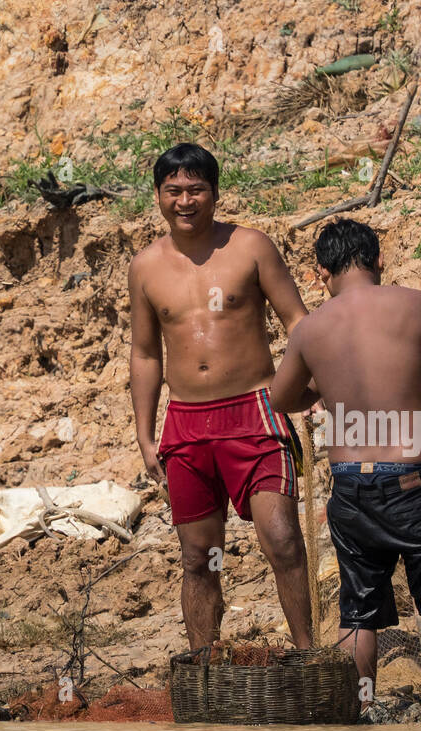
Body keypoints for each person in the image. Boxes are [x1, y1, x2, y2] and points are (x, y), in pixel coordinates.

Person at [269, 218, 421, 708]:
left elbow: (281, 398)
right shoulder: (415, 304)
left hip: (352, 488)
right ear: (380, 260)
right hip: (413, 481)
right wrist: (404, 374)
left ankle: (360, 708)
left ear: (321, 273)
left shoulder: (312, 329)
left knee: (357, 608)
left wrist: (326, 389)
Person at [128, 143, 313, 650]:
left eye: (195, 190)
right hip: (186, 422)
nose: (184, 201)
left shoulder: (250, 246)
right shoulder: (145, 267)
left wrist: (313, 384)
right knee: (198, 557)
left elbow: (297, 322)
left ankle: (307, 657)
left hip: (255, 411)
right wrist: (145, 437)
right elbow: (145, 355)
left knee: (283, 542)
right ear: (158, 196)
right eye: (173, 191)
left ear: (214, 193)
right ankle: (205, 670)